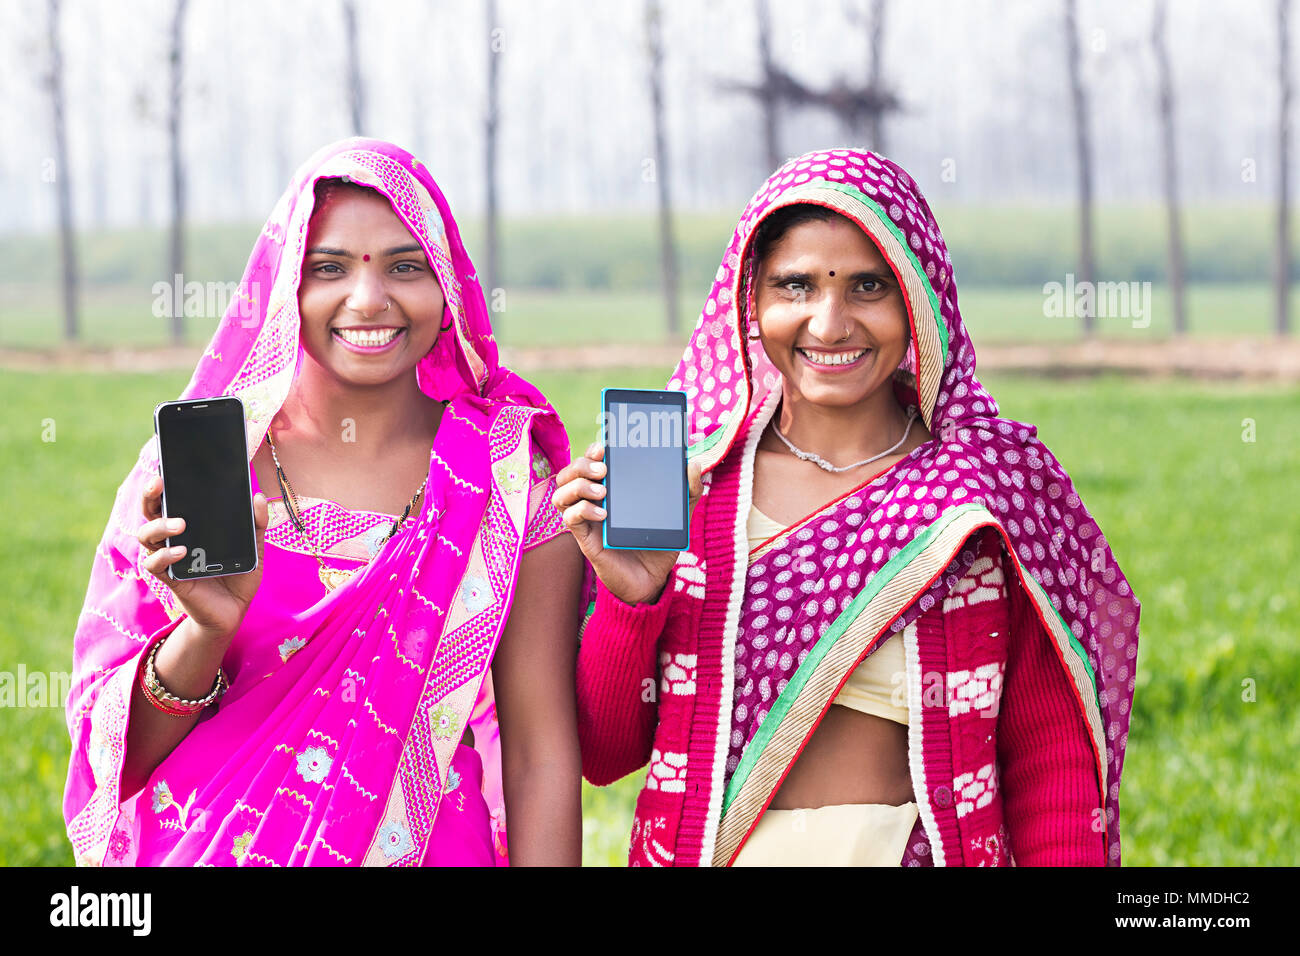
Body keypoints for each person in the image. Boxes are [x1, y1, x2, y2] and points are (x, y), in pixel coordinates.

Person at [555, 148, 1139, 866]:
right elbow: (607, 754)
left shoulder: (983, 497)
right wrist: (629, 596)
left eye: (868, 286)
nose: (829, 324)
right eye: (795, 286)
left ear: (920, 300)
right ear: (752, 301)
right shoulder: (693, 489)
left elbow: (1051, 767)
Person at [63, 138, 583, 866]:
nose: (369, 300)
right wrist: (203, 632)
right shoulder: (203, 471)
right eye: (328, 269)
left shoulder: (503, 477)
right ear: (285, 288)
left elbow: (540, 757)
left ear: (450, 287)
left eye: (406, 266)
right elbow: (115, 764)